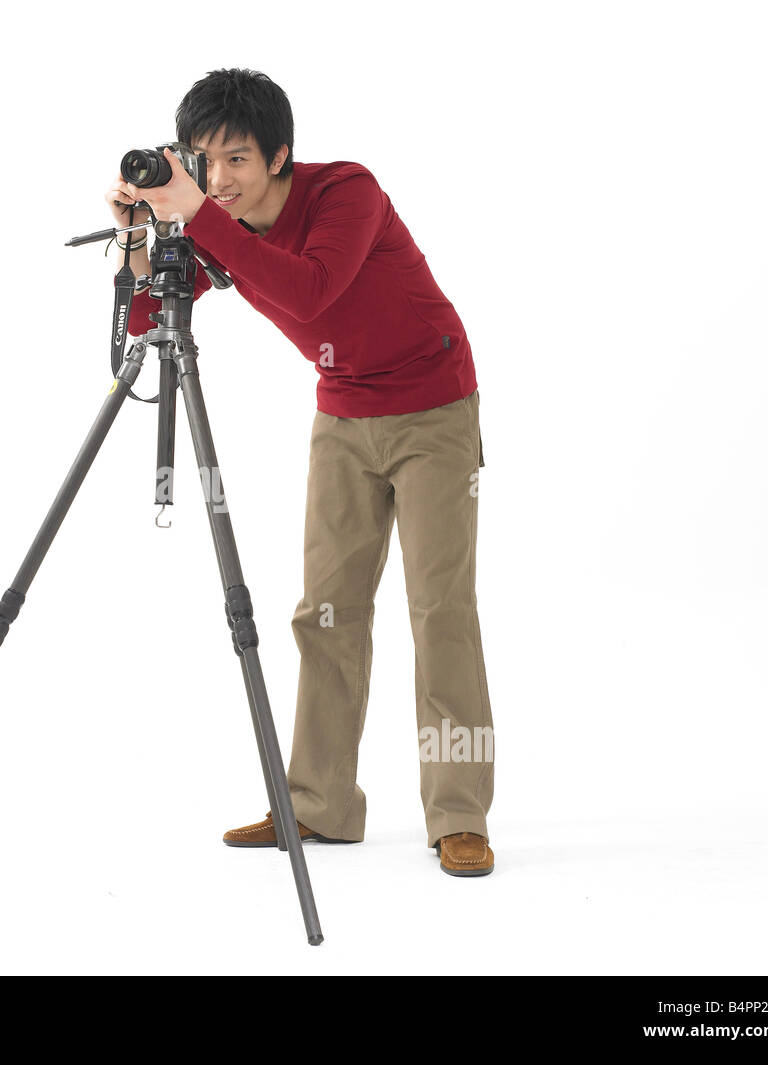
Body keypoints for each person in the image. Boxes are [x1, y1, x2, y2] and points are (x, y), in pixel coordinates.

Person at [104, 69, 495, 876]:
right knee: (324, 613)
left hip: (432, 407)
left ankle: (458, 814)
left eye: (238, 158)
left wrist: (200, 216)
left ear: (281, 154)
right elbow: (148, 321)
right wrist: (139, 244)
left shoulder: (347, 191)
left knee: (439, 610)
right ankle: (317, 806)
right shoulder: (222, 222)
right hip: (344, 413)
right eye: (203, 161)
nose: (219, 179)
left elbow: (313, 292)